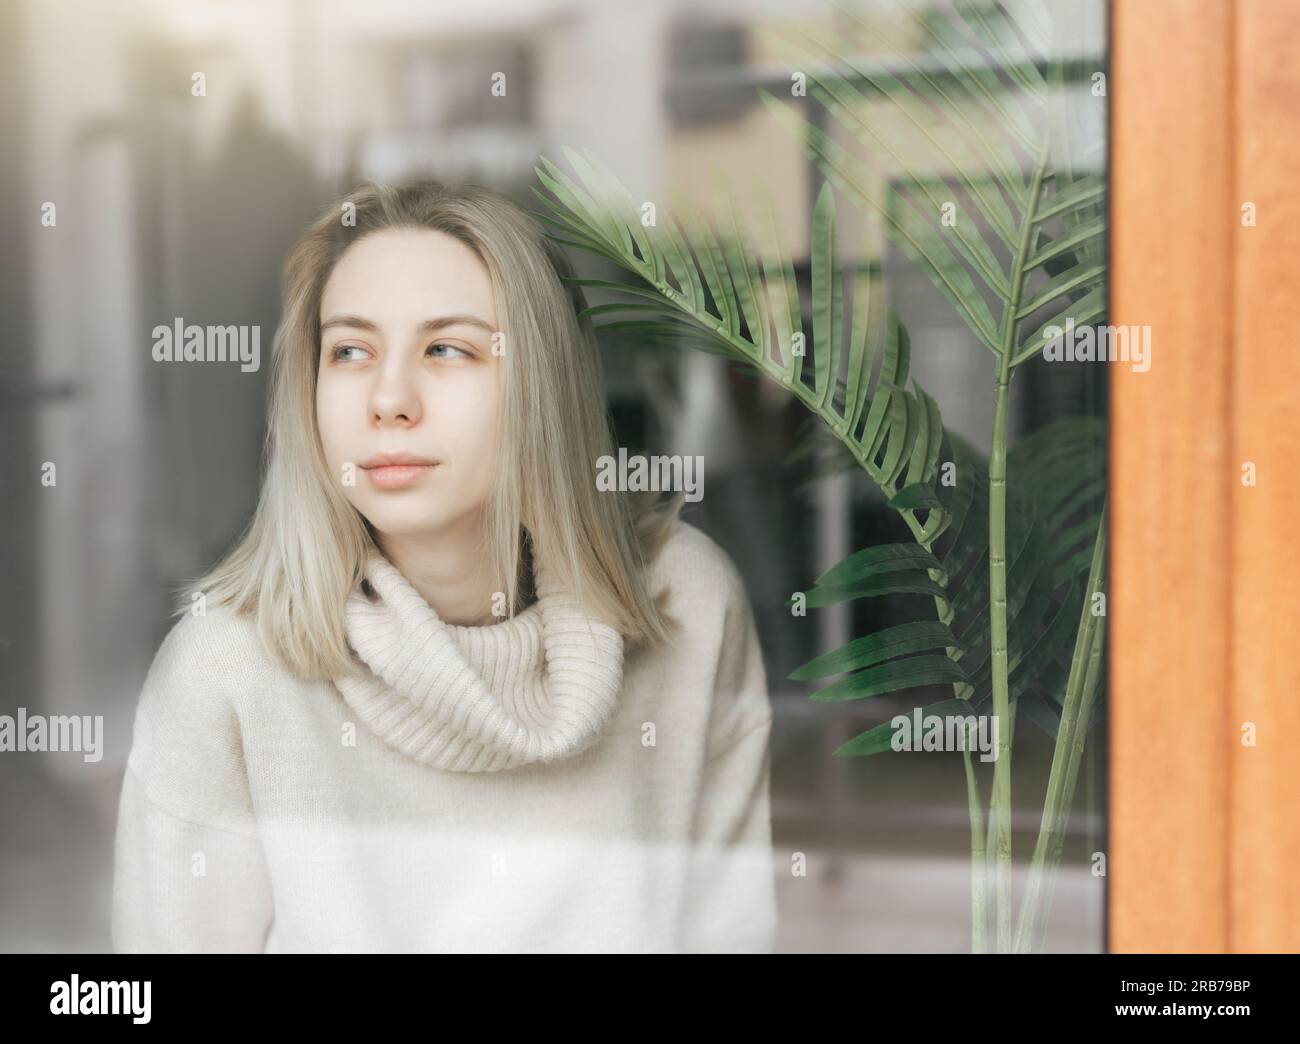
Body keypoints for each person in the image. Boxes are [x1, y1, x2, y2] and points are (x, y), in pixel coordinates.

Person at [110, 178, 776, 953]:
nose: (389, 399)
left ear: (542, 384)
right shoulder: (224, 668)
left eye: (447, 349)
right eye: (350, 350)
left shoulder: (690, 603)